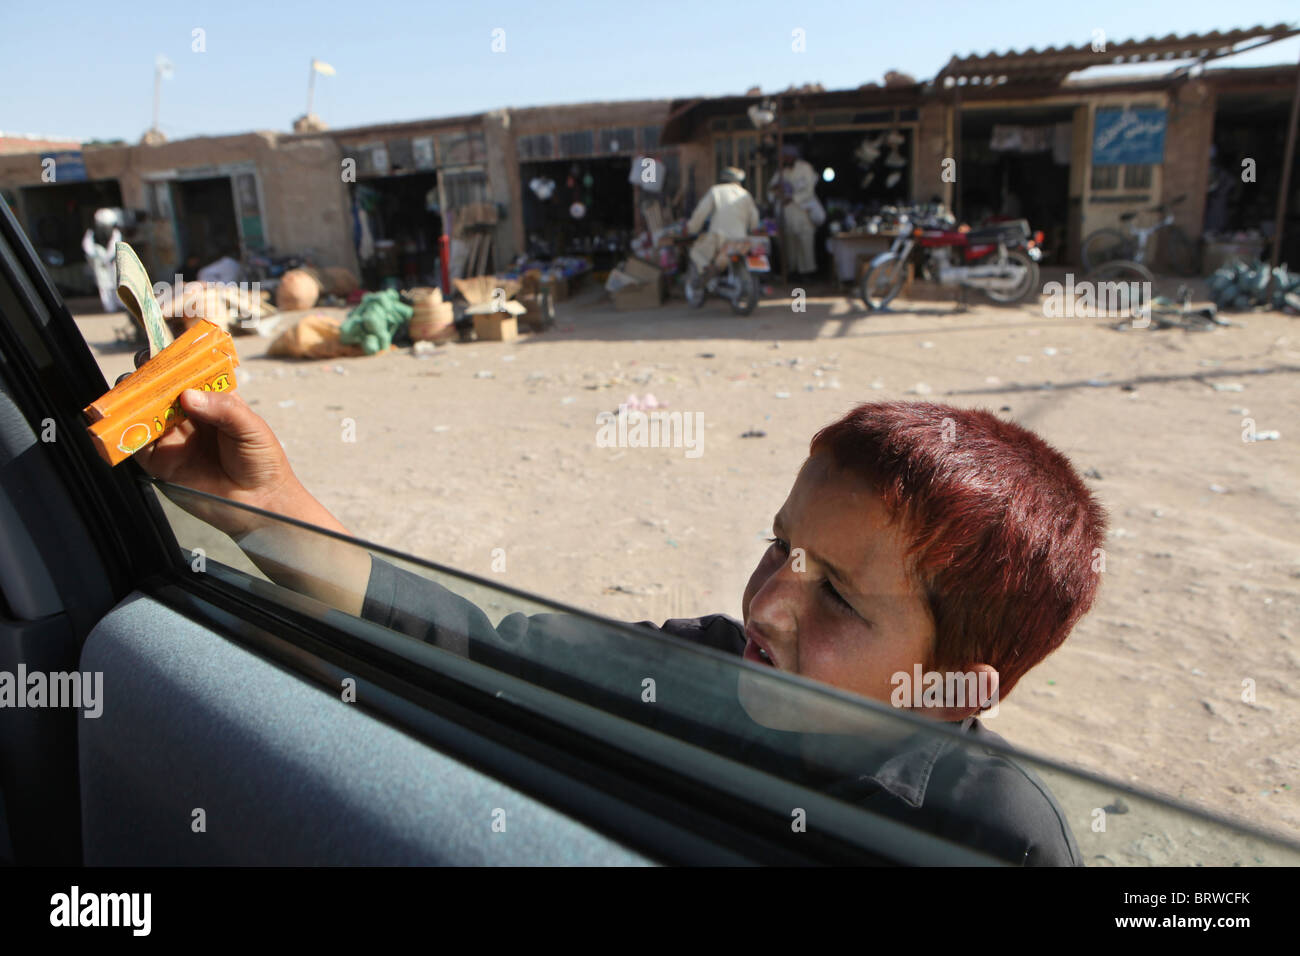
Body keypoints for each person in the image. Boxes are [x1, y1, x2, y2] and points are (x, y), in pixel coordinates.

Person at [128, 387, 1106, 864]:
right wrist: (265, 508)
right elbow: (471, 645)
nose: (765, 600)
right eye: (780, 546)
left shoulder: (990, 835)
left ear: (960, 687)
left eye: (840, 597)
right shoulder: (689, 671)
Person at [685, 166, 759, 288]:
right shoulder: (745, 194)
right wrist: (752, 229)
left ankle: (707, 272)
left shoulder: (716, 191)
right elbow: (754, 219)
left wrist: (691, 228)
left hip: (719, 239)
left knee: (695, 252)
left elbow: (700, 213)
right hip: (741, 240)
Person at [769, 145, 821, 276]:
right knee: (790, 245)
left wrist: (792, 198)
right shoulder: (781, 171)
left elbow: (809, 190)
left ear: (793, 157)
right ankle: (793, 271)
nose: (784, 160)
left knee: (805, 244)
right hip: (788, 214)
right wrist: (776, 191)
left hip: (803, 212)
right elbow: (770, 190)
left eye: (786, 157)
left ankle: (808, 272)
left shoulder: (805, 168)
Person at [81, 208, 122, 314]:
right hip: (99, 264)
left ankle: (121, 304)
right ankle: (109, 307)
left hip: (113, 263)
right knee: (104, 285)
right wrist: (97, 256)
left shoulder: (115, 233)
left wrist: (110, 257)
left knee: (117, 283)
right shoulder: (92, 233)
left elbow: (116, 245)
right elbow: (87, 246)